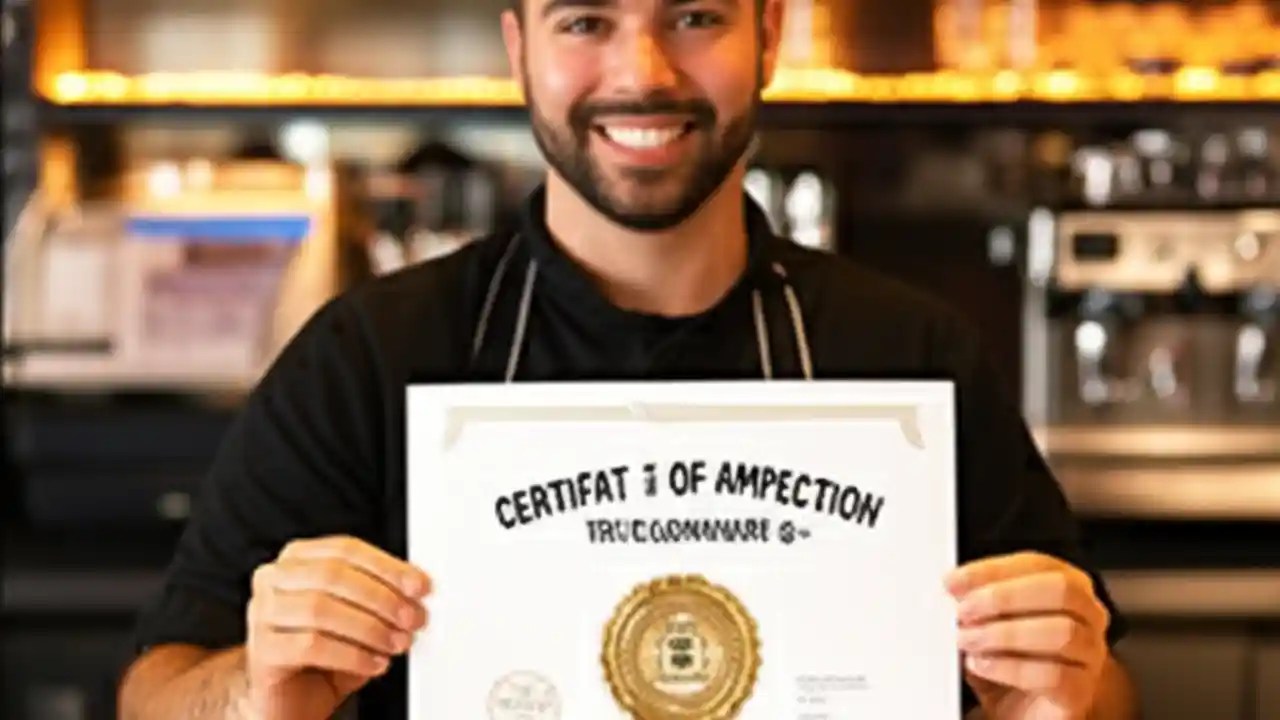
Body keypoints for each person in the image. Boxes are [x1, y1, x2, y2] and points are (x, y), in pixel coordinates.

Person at [117, 0, 1139, 718]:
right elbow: (157, 692)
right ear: (519, 48)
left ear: (768, 35)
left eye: (694, 17)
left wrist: (1062, 690)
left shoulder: (911, 355)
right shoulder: (372, 354)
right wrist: (258, 687)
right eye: (584, 21)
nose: (642, 72)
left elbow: (1098, 694)